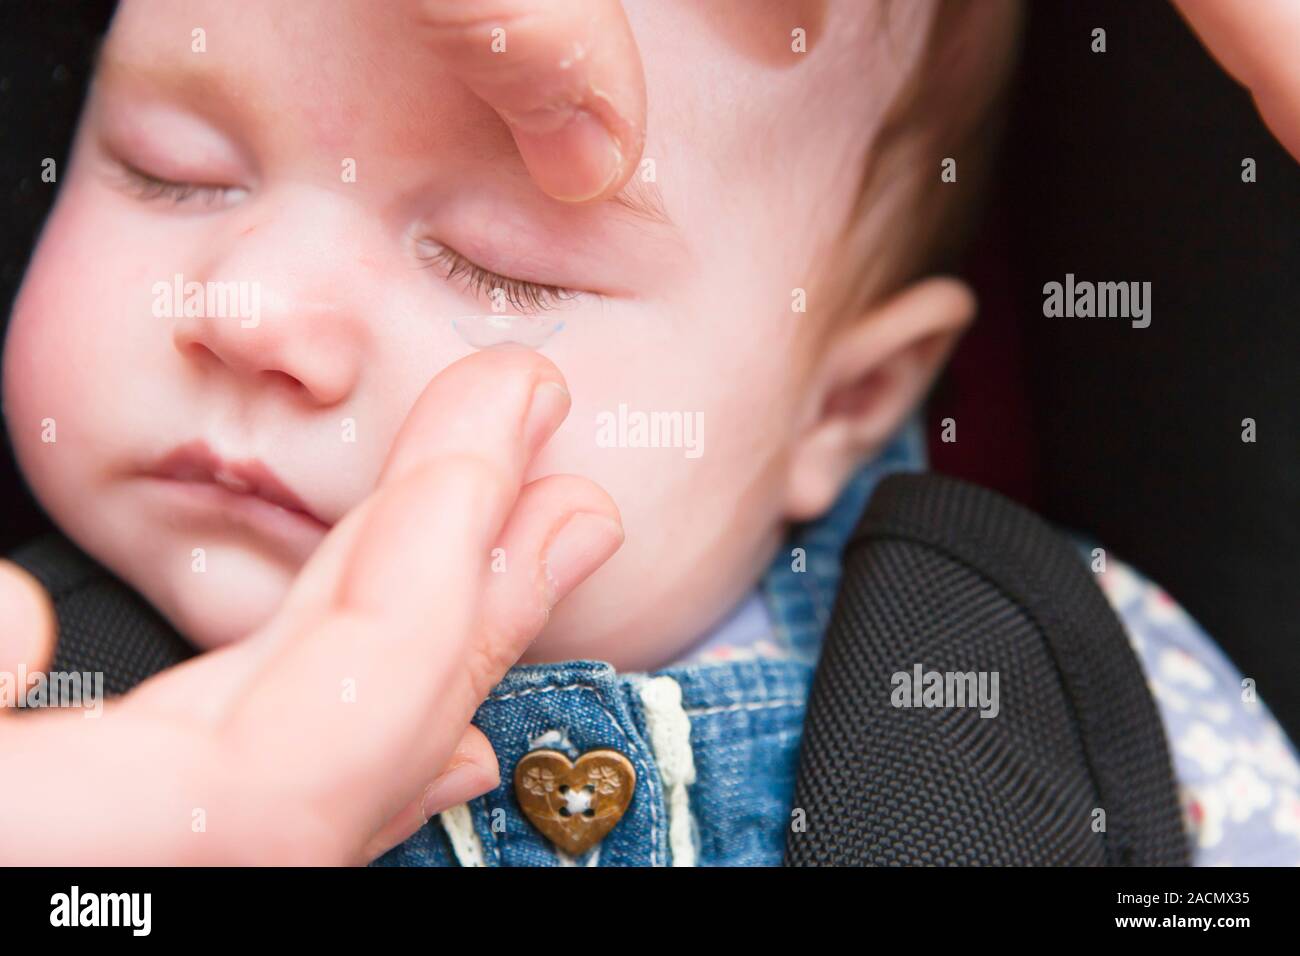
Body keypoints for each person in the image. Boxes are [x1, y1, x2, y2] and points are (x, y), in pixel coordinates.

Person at [2, 0, 1298, 866]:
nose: (249, 307)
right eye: (170, 168)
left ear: (842, 404)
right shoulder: (32, 711)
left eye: (498, 268)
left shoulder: (1071, 686)